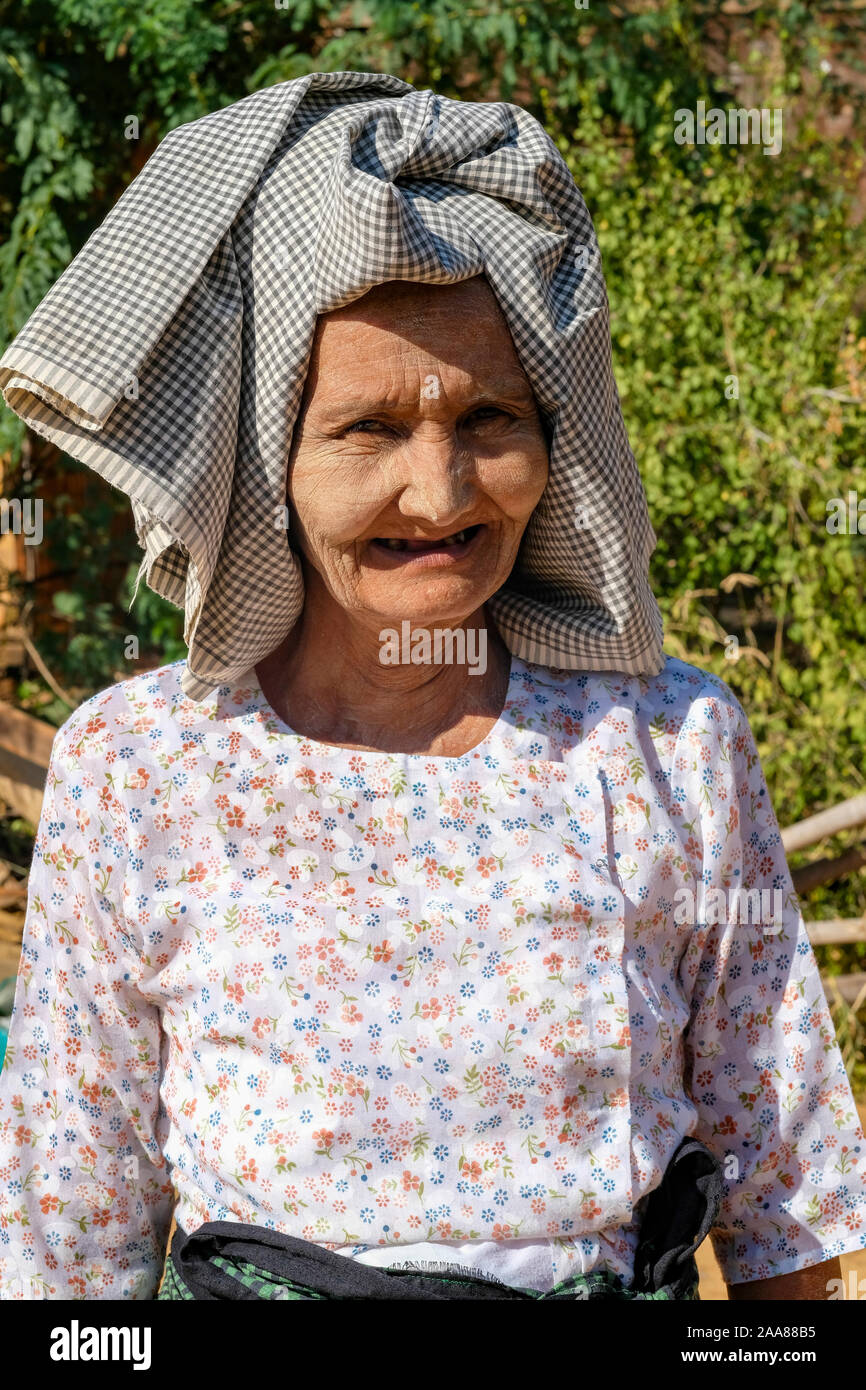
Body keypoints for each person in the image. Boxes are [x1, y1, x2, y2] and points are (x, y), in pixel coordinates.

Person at [0, 70, 863, 1301]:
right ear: (264, 461)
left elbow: (795, 1222)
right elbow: (64, 1257)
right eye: (364, 430)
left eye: (489, 418)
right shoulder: (142, 767)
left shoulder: (665, 740)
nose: (443, 494)